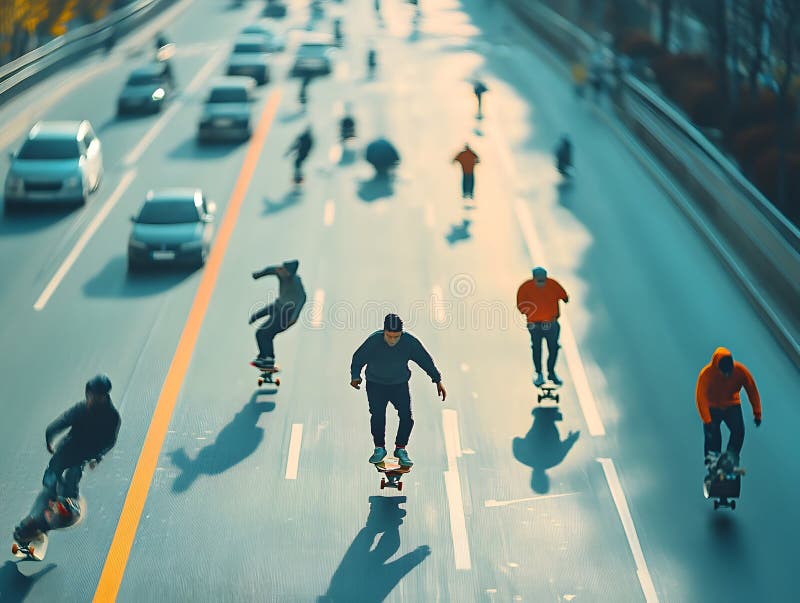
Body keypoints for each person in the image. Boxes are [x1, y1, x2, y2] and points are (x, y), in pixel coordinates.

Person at [13, 375, 121, 545]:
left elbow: (109, 441)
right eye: (92, 395)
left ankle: (38, 523)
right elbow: (60, 424)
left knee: (64, 489)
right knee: (52, 488)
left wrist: (97, 456)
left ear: (103, 396)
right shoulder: (93, 412)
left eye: (96, 396)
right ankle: (33, 522)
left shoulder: (108, 416)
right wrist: (50, 437)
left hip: (75, 456)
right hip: (67, 454)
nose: (92, 399)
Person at [350, 314, 446, 467]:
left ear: (401, 333)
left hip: (399, 385)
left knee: (407, 417)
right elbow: (358, 358)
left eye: (396, 337)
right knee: (378, 415)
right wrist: (355, 376)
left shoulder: (409, 342)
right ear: (384, 332)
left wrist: (437, 380)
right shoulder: (374, 341)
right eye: (389, 336)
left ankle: (400, 449)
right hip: (376, 384)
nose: (392, 340)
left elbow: (425, 360)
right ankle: (379, 448)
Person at [696, 347, 762, 468]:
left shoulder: (740, 371)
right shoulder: (706, 375)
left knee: (739, 431)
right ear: (717, 368)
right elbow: (701, 398)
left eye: (729, 372)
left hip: (731, 404)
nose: (727, 375)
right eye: (724, 372)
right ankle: (712, 458)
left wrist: (757, 412)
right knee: (713, 433)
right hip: (713, 406)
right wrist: (707, 420)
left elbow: (751, 389)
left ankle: (732, 455)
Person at [516, 267, 569, 386]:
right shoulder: (525, 287)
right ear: (534, 278)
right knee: (537, 348)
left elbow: (564, 297)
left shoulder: (553, 284)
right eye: (538, 281)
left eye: (543, 280)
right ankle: (539, 373)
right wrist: (531, 313)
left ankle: (551, 372)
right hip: (535, 324)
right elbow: (520, 305)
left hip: (550, 323)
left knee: (553, 348)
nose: (541, 283)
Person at [249, 259, 307, 368]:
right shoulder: (280, 271)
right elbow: (270, 270)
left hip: (288, 314)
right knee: (265, 334)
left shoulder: (296, 282)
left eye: (283, 272)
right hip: (279, 306)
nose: (280, 273)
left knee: (263, 333)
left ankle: (268, 359)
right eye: (280, 270)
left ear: (289, 274)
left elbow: (303, 298)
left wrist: (295, 317)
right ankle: (265, 357)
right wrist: (258, 275)